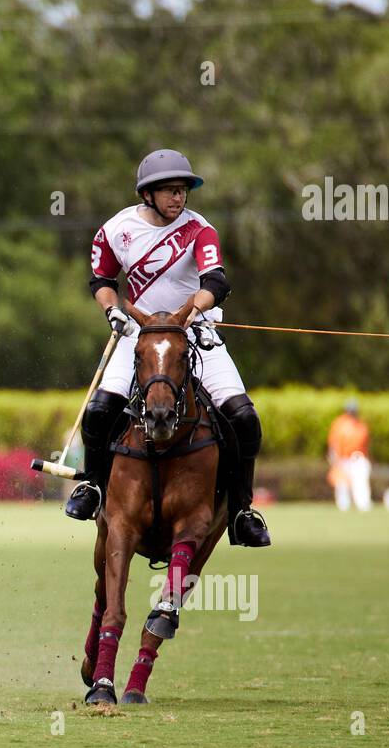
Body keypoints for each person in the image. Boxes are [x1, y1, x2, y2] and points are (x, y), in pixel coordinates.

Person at [64, 148, 271, 548]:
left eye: (182, 191)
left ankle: (243, 511)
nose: (178, 198)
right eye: (169, 191)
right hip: (138, 338)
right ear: (148, 195)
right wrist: (113, 312)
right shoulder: (115, 230)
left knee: (244, 418)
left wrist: (191, 312)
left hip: (195, 336)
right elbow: (102, 280)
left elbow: (217, 282)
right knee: (100, 409)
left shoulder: (199, 230)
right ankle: (92, 487)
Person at [328, 398, 372, 511]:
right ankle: (343, 506)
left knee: (360, 482)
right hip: (343, 458)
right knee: (342, 484)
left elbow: (366, 445)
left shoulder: (361, 425)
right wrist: (334, 459)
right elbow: (333, 443)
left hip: (358, 458)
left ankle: (363, 505)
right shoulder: (339, 424)